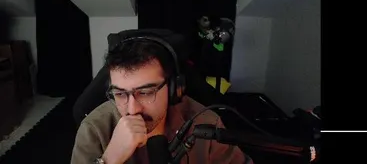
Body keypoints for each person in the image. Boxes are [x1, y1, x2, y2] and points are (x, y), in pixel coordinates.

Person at [71, 36, 248, 164]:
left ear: (173, 89)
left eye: (145, 92)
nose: (132, 110)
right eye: (120, 94)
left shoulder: (206, 123)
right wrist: (109, 159)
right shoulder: (94, 129)